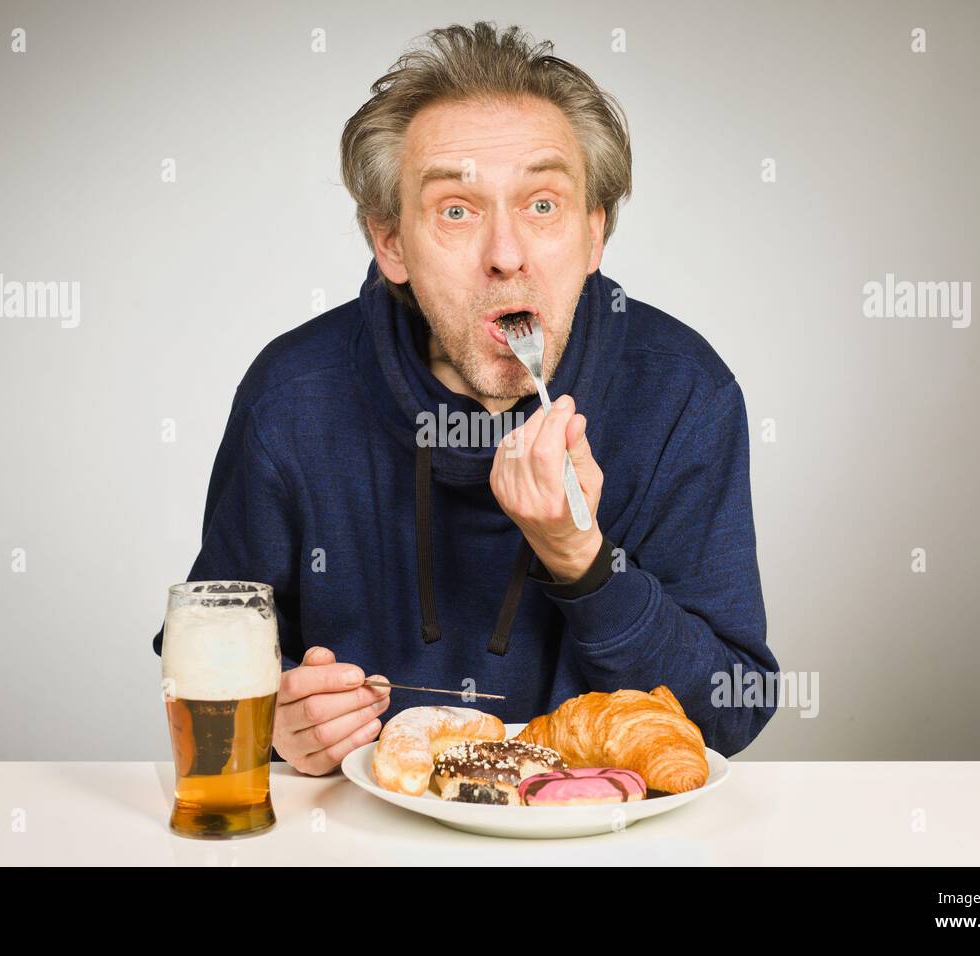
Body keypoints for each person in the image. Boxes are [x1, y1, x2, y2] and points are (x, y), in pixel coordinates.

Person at [153, 21, 780, 775]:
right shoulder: (292, 399)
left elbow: (730, 713)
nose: (506, 255)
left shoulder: (682, 393)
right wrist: (274, 722)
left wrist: (582, 559)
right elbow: (202, 648)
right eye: (456, 210)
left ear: (593, 233)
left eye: (543, 206)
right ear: (391, 244)